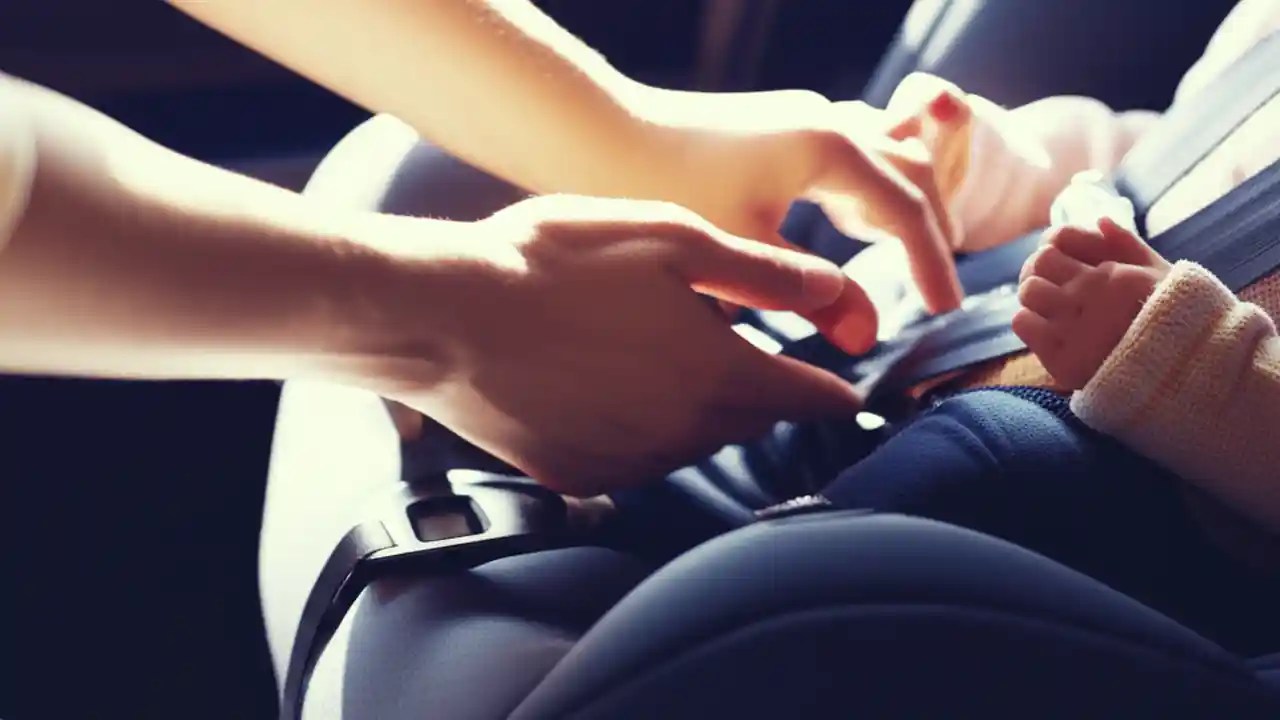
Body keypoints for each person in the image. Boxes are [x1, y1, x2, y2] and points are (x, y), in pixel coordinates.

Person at [819, 0, 1280, 656]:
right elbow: (1164, 165)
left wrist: (1179, 357)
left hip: (1190, 519)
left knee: (975, 464)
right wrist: (986, 173)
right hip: (958, 357)